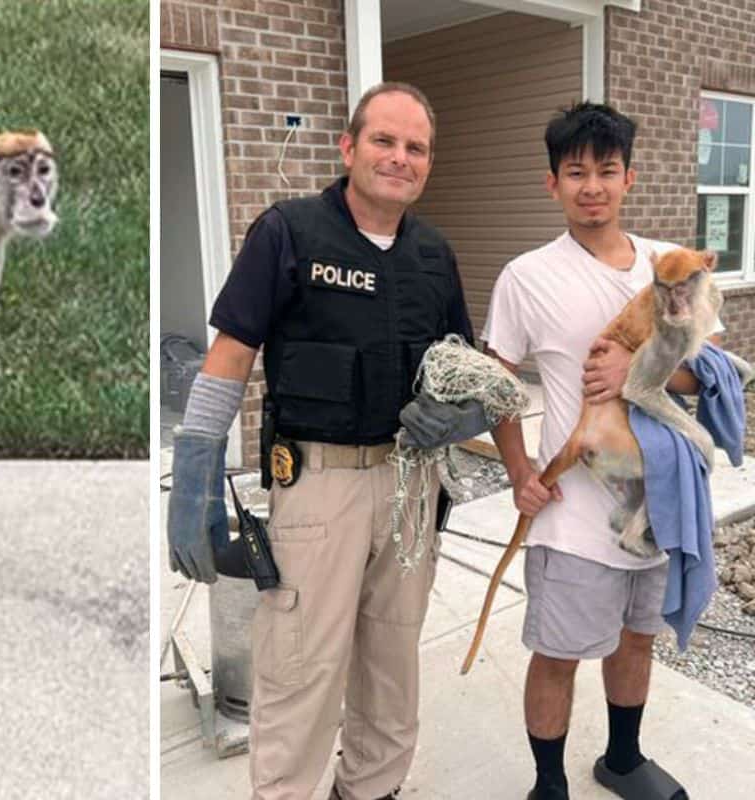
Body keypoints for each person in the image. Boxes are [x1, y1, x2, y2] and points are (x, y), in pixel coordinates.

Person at [167, 82, 474, 800]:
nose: (400, 158)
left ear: (428, 163)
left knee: (392, 664)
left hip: (411, 488)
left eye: (416, 147)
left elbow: (465, 362)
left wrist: (461, 416)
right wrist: (194, 481)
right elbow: (230, 359)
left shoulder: (434, 254)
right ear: (348, 147)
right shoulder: (289, 233)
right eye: (384, 141)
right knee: (301, 671)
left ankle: (370, 789)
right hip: (319, 488)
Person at [482, 102, 707, 800]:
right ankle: (549, 785)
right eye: (575, 172)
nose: (592, 186)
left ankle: (623, 759)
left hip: (659, 504)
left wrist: (641, 373)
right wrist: (519, 470)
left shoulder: (667, 266)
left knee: (637, 641)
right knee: (558, 654)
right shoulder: (527, 276)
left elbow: (708, 371)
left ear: (629, 178)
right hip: (574, 513)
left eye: (606, 171)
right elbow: (496, 382)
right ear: (552, 183)